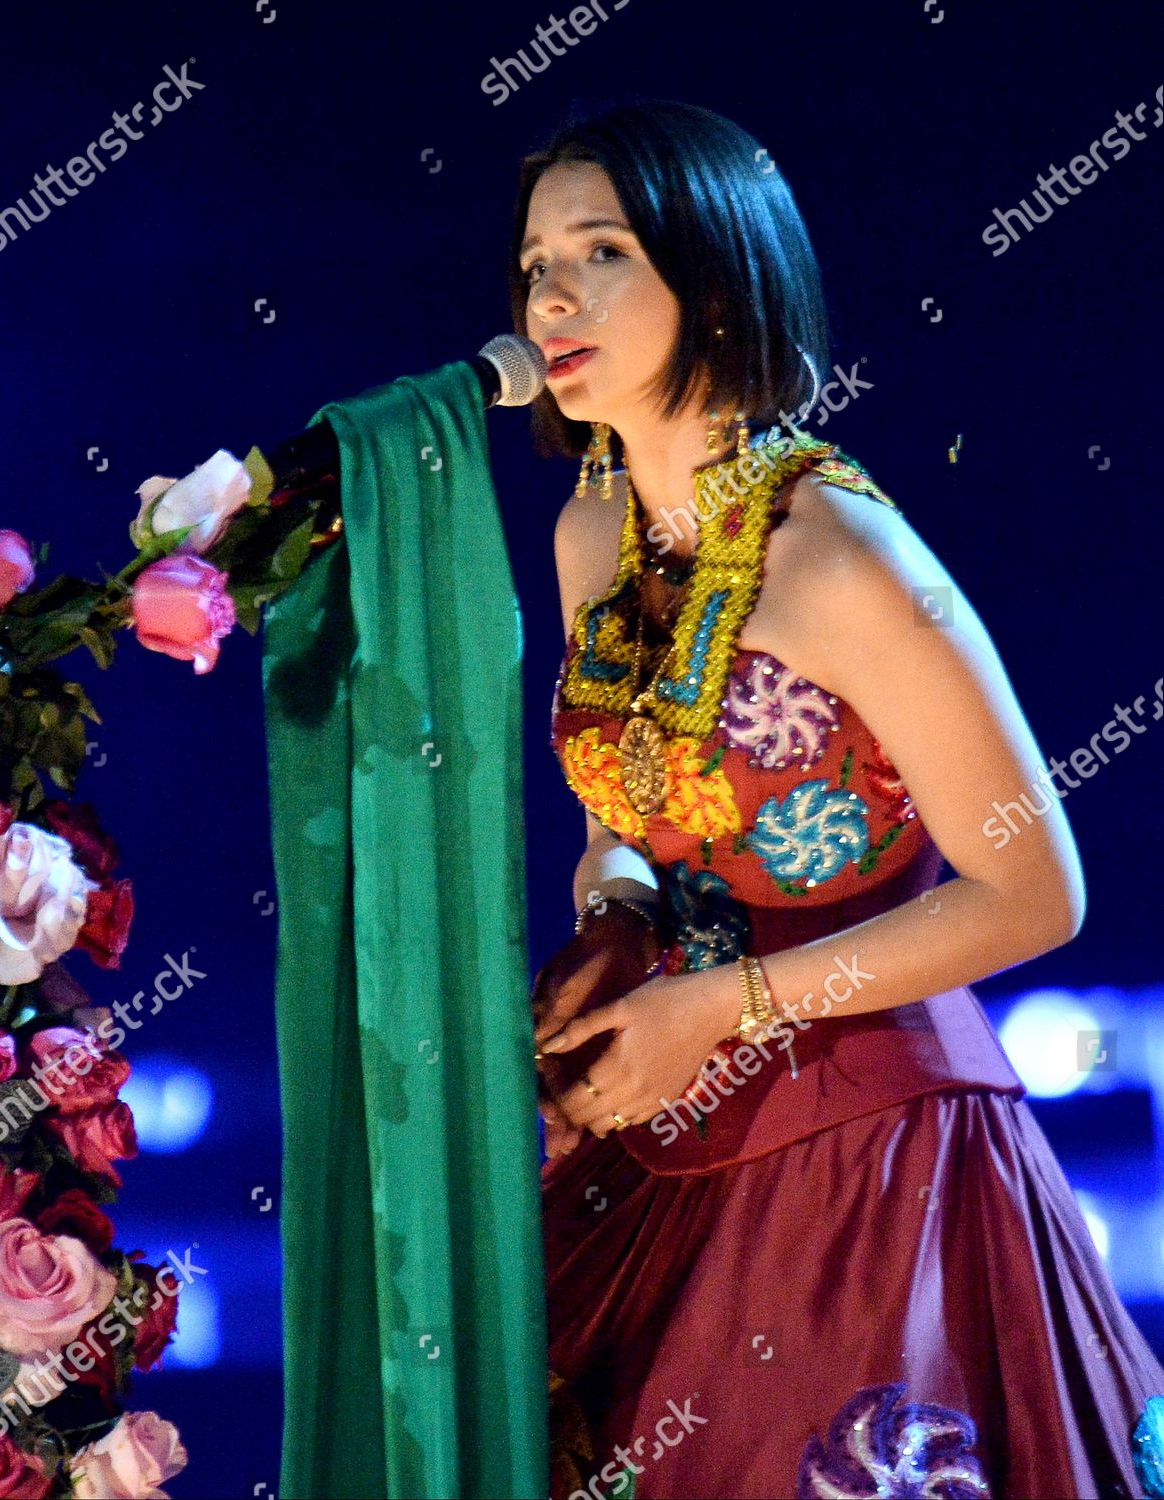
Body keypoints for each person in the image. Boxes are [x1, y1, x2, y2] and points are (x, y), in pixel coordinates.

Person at [510, 98, 1164, 1500]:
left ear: (718, 272)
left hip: (872, 1167)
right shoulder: (590, 530)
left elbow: (1038, 891)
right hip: (657, 1129)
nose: (551, 294)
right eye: (532, 265)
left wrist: (724, 1009)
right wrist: (619, 909)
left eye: (601, 250)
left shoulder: (841, 556)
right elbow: (624, 808)